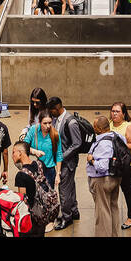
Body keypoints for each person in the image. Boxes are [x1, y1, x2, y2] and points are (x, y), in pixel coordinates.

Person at [48, 96, 82, 230]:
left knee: (64, 190)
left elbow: (77, 143)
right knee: (70, 186)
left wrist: (61, 157)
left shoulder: (70, 122)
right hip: (64, 160)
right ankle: (74, 211)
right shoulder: (58, 119)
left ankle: (67, 217)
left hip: (67, 162)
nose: (50, 114)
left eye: (52, 111)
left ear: (57, 108)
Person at [86, 115, 122, 237]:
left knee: (102, 213)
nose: (93, 128)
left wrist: (91, 160)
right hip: (116, 178)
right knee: (113, 207)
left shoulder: (103, 144)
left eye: (94, 126)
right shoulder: (117, 137)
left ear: (100, 129)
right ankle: (114, 234)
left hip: (103, 180)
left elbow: (102, 166)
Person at [110, 101, 131, 230]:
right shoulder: (108, 124)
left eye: (117, 111)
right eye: (113, 111)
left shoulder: (128, 127)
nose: (114, 113)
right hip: (112, 163)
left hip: (126, 164)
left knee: (127, 189)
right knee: (111, 189)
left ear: (123, 114)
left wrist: (120, 144)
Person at [23, 110, 61, 189]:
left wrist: (58, 174)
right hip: (36, 168)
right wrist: (34, 151)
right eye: (45, 123)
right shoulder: (34, 130)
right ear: (39, 122)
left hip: (50, 170)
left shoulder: (55, 134)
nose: (48, 126)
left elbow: (59, 154)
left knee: (48, 195)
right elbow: (24, 146)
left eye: (50, 123)